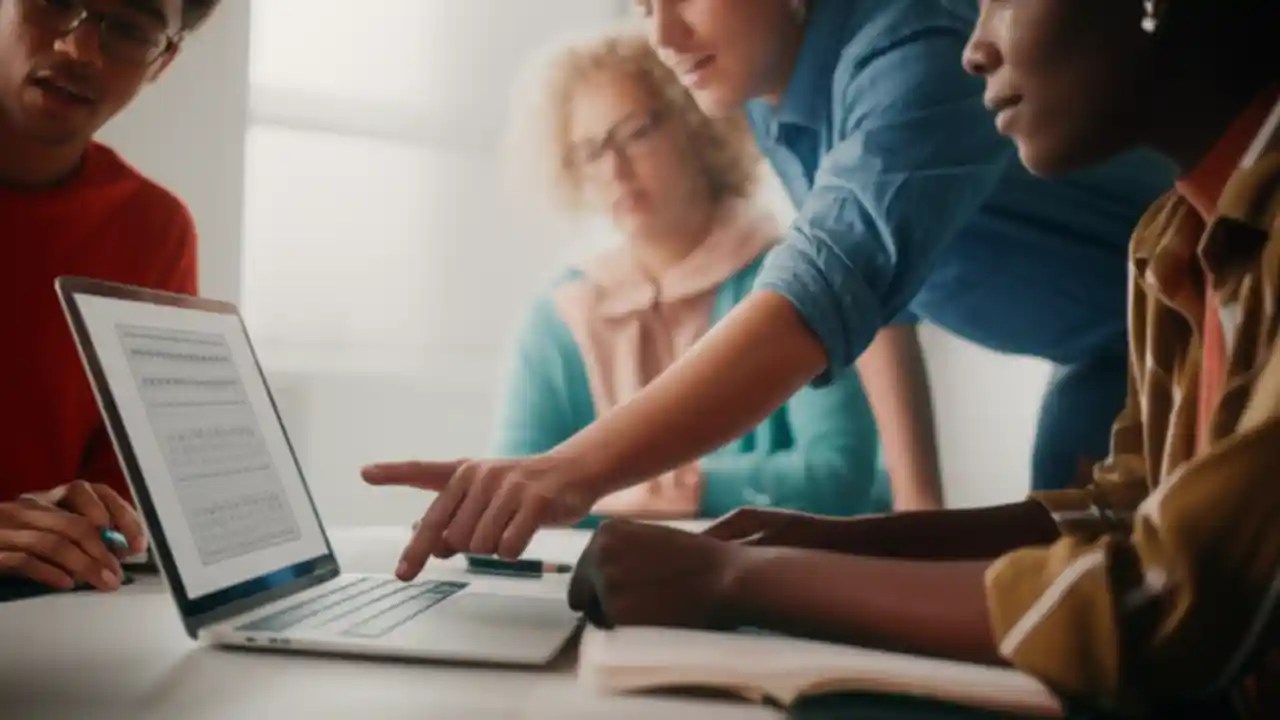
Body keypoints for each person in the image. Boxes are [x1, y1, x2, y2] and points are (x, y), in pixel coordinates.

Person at [558, 0, 1273, 715]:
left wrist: (737, 576)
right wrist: (842, 545)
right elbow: (1118, 516)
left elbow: (1162, 596)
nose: (974, 47)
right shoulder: (1169, 240)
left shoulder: (909, 49)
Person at [362, 0, 1171, 564]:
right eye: (643, 5)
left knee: (1134, 625)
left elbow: (819, 295)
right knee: (1072, 613)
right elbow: (881, 304)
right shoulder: (760, 91)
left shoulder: (915, 54)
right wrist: (923, 505)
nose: (667, 34)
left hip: (1188, 319)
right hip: (1108, 356)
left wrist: (569, 469)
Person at [494, 32, 892, 521]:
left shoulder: (796, 273)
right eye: (591, 151)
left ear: (695, 123)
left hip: (783, 580)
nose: (615, 168)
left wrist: (648, 493)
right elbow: (515, 496)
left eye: (636, 132)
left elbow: (838, 476)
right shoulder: (563, 315)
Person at [0, 0, 220, 593]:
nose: (81, 49)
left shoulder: (154, 228)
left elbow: (127, 488)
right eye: (55, 4)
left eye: (127, 30)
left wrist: (94, 522)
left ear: (161, 62)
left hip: (46, 609)